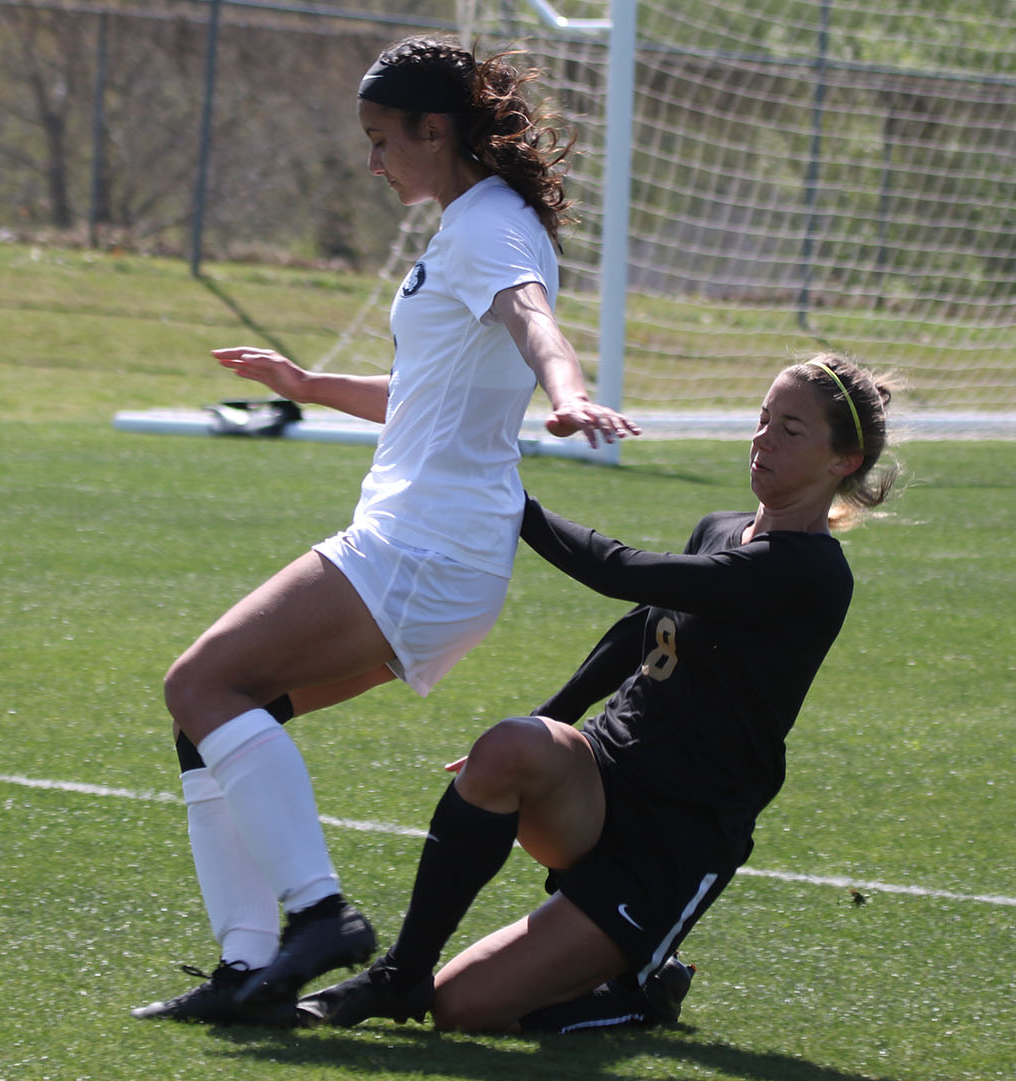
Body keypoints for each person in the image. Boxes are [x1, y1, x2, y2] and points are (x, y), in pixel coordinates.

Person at [134, 36, 640, 1024]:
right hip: (437, 554)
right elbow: (425, 393)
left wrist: (570, 393)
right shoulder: (476, 221)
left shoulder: (488, 228)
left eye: (381, 141)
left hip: (422, 548)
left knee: (198, 684)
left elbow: (532, 320)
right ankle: (245, 968)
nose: (373, 163)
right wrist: (305, 384)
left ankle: (320, 917)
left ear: (432, 129)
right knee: (218, 718)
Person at [296, 353, 899, 1033]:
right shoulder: (723, 528)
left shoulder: (807, 573)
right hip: (605, 779)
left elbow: (617, 572)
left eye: (791, 430)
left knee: (464, 1009)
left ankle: (641, 988)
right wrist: (551, 716)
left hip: (672, 841)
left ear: (842, 462)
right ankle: (399, 975)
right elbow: (640, 624)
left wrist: (512, 502)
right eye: (763, 418)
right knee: (508, 747)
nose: (762, 439)